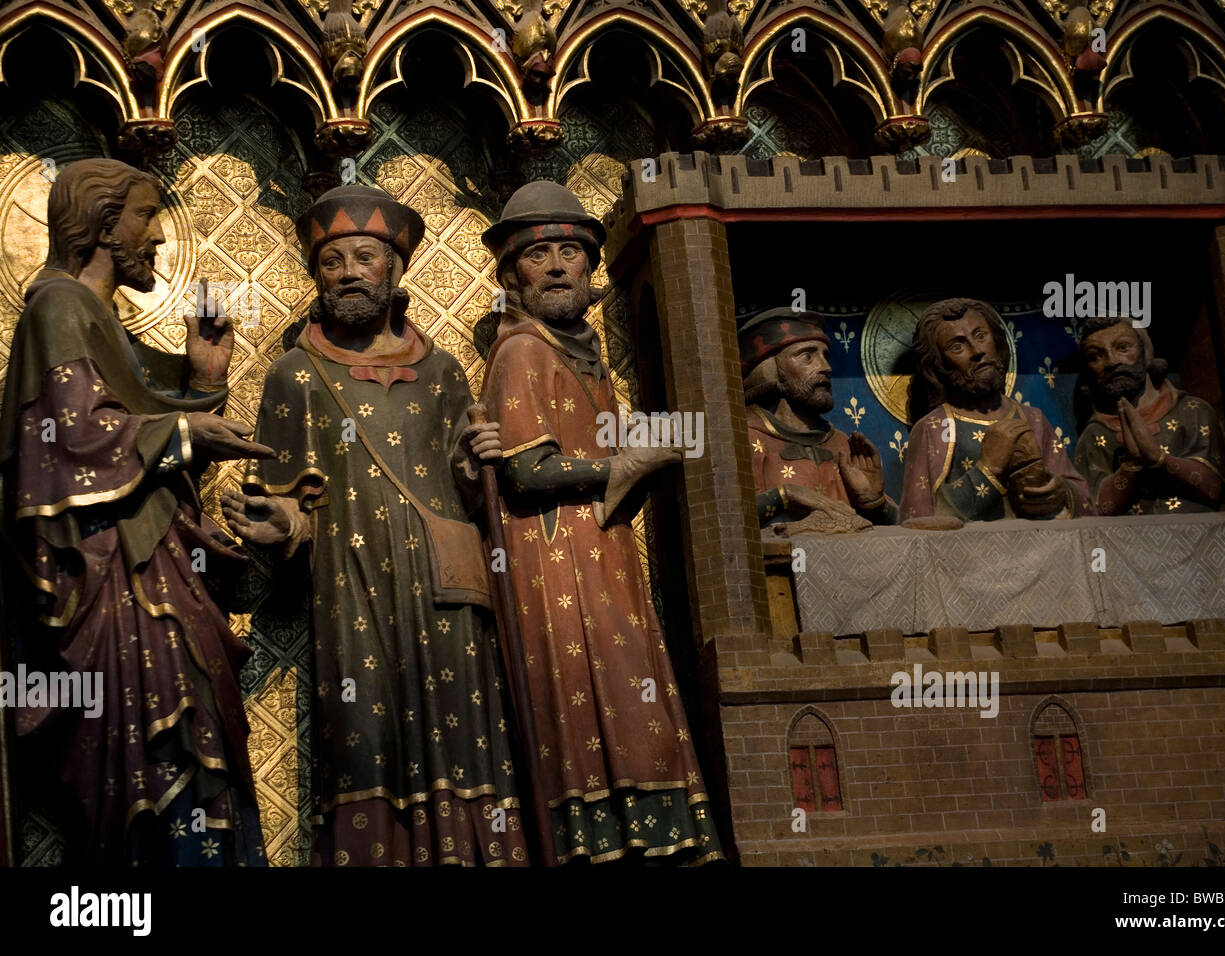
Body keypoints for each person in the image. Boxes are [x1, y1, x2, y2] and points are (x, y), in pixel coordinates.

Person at [220, 185, 527, 866]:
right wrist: (283, 526)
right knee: (363, 734)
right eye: (332, 262)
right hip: (353, 595)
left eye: (365, 256)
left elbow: (468, 492)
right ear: (315, 276)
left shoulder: (444, 373)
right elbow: (287, 499)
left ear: (394, 269)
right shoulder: (295, 377)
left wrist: (480, 471)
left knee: (467, 736)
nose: (350, 272)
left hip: (447, 597)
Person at [0, 158, 270, 864]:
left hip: (152, 570)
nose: (157, 237)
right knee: (160, 748)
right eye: (145, 216)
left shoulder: (95, 319)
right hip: (113, 584)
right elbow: (75, 438)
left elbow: (134, 420)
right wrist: (186, 431)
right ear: (99, 223)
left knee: (197, 733)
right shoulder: (58, 308)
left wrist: (203, 385)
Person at [479, 180, 724, 864]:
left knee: (629, 682)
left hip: (603, 548)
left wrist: (636, 460)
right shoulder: (524, 351)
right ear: (512, 278)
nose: (557, 265)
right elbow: (527, 472)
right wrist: (629, 461)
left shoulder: (588, 358)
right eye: (539, 255)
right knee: (598, 689)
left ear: (592, 273)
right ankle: (604, 840)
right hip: (555, 556)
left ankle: (654, 834)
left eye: (571, 253)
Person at [900, 297, 1092, 522]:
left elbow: (1083, 497)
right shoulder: (934, 428)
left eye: (981, 336)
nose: (976, 351)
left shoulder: (1033, 419)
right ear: (939, 365)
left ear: (997, 341)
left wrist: (1060, 492)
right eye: (957, 346)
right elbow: (919, 520)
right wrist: (987, 470)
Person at [741, 307, 896, 532]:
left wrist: (874, 502)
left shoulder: (842, 444)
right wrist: (784, 495)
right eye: (807, 356)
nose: (826, 367)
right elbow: (730, 521)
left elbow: (901, 529)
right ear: (771, 369)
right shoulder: (747, 437)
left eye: (825, 355)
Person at [1073, 315, 1225, 514]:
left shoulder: (1193, 411)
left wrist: (1159, 459)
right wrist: (1130, 466)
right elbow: (1092, 510)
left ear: (1146, 353)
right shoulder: (1094, 436)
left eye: (1123, 347)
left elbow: (1214, 488)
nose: (1111, 362)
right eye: (1095, 357)